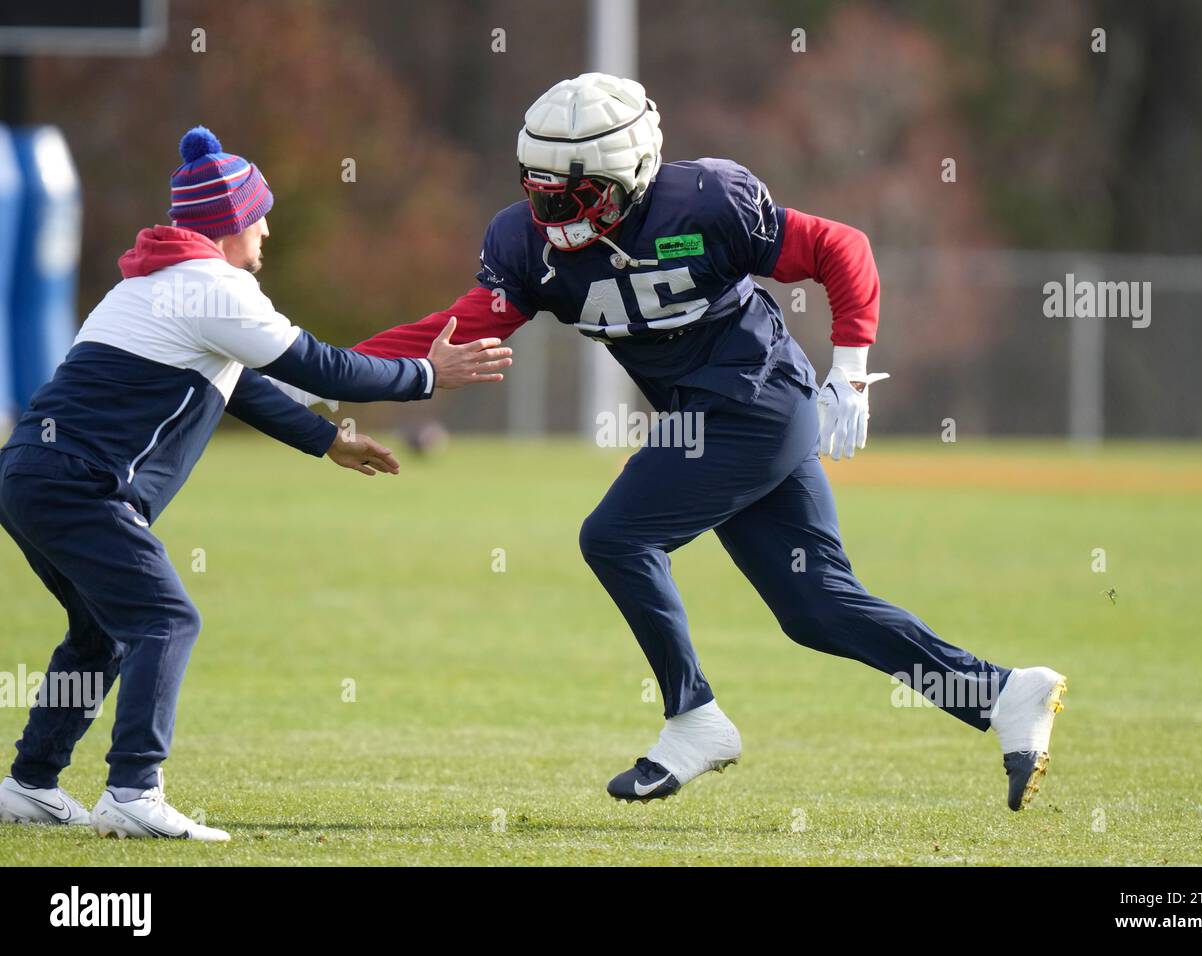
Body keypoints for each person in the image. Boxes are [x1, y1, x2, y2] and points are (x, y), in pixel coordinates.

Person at [352, 75, 1067, 811]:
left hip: (756, 402)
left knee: (615, 538)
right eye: (538, 192)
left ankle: (694, 717)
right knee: (817, 607)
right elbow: (449, 332)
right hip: (707, 415)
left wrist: (850, 371)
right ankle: (1003, 694)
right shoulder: (525, 244)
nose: (550, 214)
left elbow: (839, 249)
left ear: (630, 176)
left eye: (571, 196)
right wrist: (318, 371)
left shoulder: (706, 203)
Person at [0, 127, 511, 841]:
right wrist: (427, 374)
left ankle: (31, 783)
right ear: (231, 222)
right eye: (258, 214)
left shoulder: (153, 281)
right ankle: (132, 789)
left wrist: (328, 439)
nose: (267, 229)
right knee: (165, 619)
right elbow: (323, 368)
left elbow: (240, 388)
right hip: (78, 485)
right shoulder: (214, 287)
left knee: (100, 634)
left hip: (29, 475)